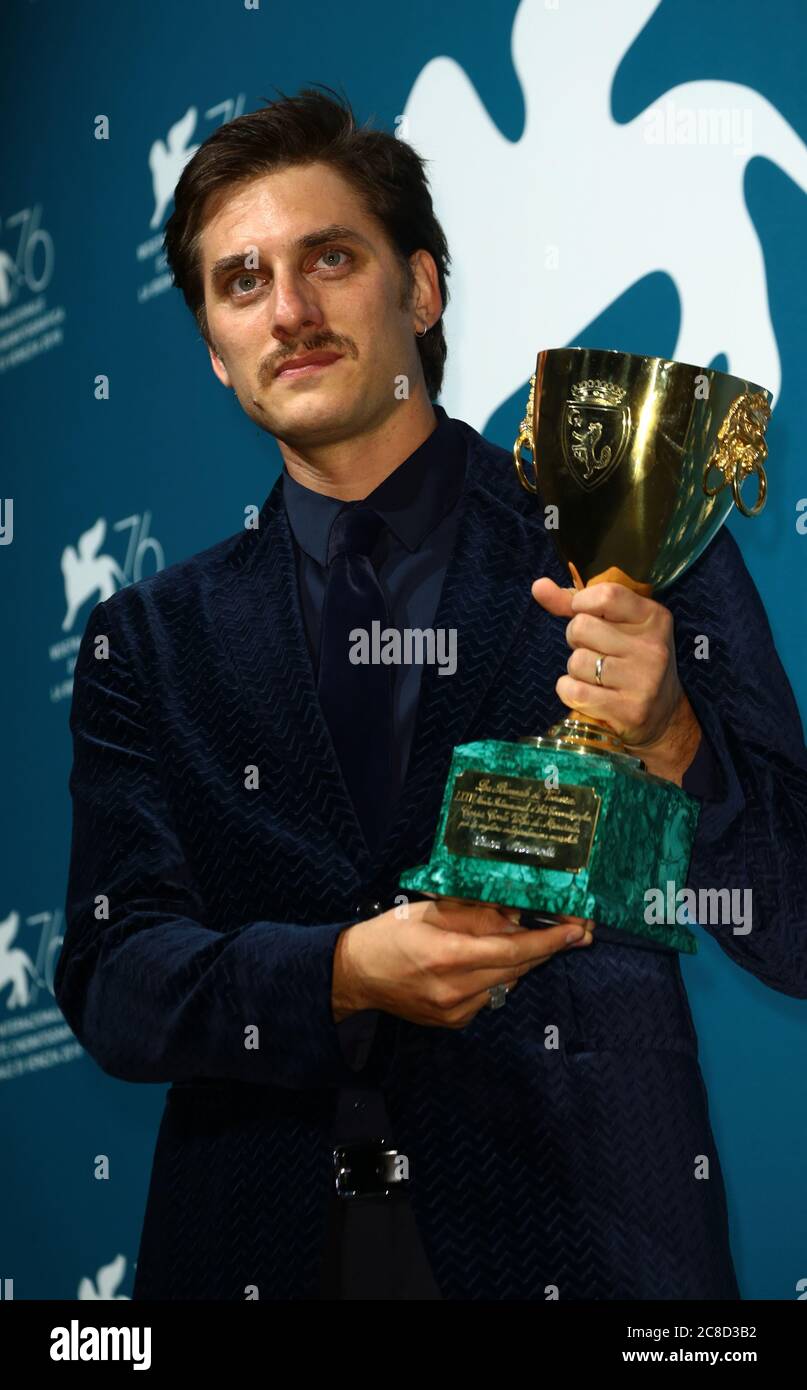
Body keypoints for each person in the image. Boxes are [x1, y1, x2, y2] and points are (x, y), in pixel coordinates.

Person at [54, 87, 807, 1301]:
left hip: (598, 1256)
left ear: (422, 289)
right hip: (253, 1254)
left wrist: (673, 739)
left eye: (330, 259)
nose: (289, 311)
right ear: (211, 343)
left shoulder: (620, 548)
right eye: (241, 282)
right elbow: (115, 981)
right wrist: (345, 970)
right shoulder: (147, 642)